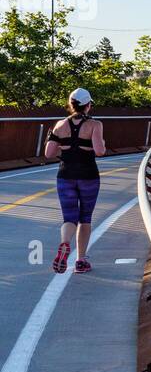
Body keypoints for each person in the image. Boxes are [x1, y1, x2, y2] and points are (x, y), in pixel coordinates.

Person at [44, 88, 106, 274]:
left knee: (69, 217)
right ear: (88, 105)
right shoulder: (95, 125)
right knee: (85, 218)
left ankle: (64, 243)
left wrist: (66, 150)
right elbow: (100, 151)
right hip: (88, 176)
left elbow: (49, 153)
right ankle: (80, 261)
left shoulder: (60, 125)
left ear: (71, 105)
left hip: (65, 176)